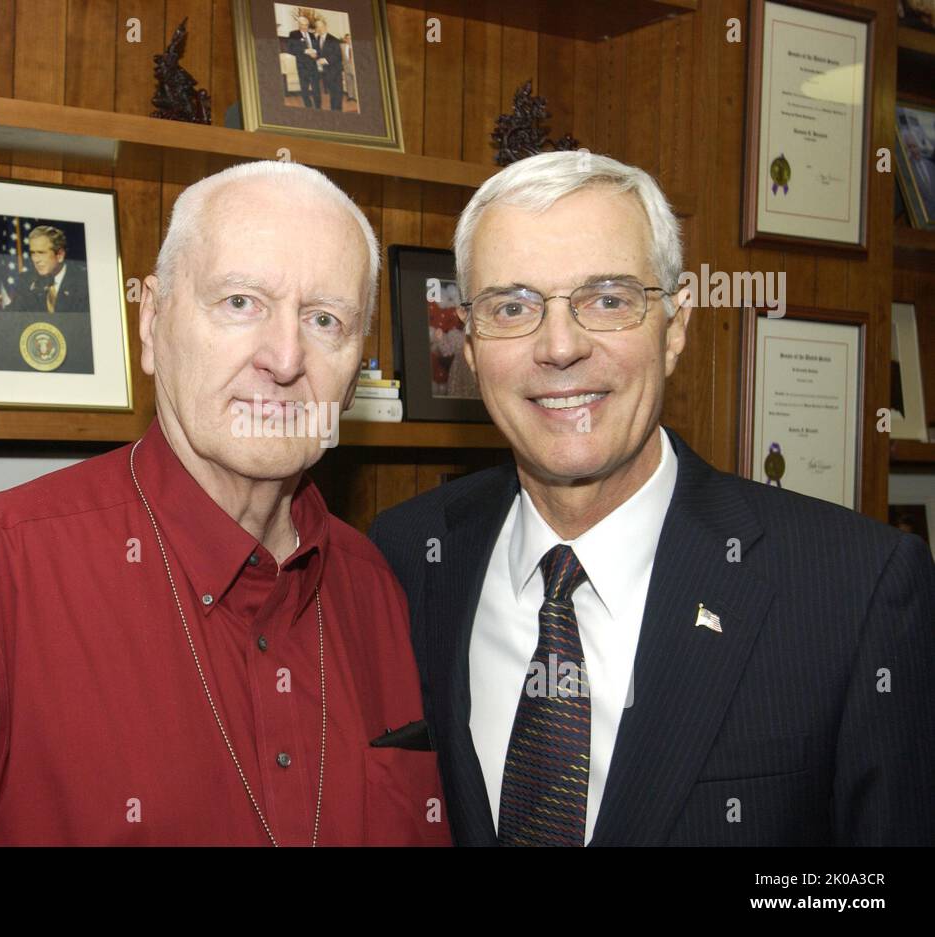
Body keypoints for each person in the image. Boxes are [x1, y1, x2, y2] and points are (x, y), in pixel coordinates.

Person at [0, 160, 451, 846]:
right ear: (152, 321)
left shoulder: (376, 586)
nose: (283, 356)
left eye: (324, 318)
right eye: (240, 302)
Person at [369, 150, 935, 846]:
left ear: (675, 325)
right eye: (512, 307)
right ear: (473, 344)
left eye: (608, 299)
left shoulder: (854, 591)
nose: (560, 346)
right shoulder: (404, 555)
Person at [0, 224, 89, 314]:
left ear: (60, 255)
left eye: (41, 253)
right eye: (33, 253)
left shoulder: (83, 281)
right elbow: (14, 319)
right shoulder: (26, 280)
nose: (36, 259)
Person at [286, 15, 321, 109]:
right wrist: (305, 51)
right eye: (302, 25)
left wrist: (316, 53)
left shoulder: (312, 35)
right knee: (305, 89)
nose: (305, 27)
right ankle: (308, 107)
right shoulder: (293, 34)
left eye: (306, 25)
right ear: (299, 24)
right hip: (302, 66)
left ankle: (318, 107)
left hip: (313, 65)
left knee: (316, 89)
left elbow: (317, 48)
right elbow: (290, 49)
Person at [314, 18, 344, 111]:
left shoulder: (333, 40)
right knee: (332, 94)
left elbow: (338, 56)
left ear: (325, 26)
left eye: (321, 26)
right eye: (317, 27)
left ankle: (337, 112)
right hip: (326, 72)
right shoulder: (318, 38)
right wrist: (316, 56)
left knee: (337, 94)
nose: (319, 29)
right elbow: (320, 53)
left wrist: (325, 60)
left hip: (335, 71)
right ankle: (334, 112)